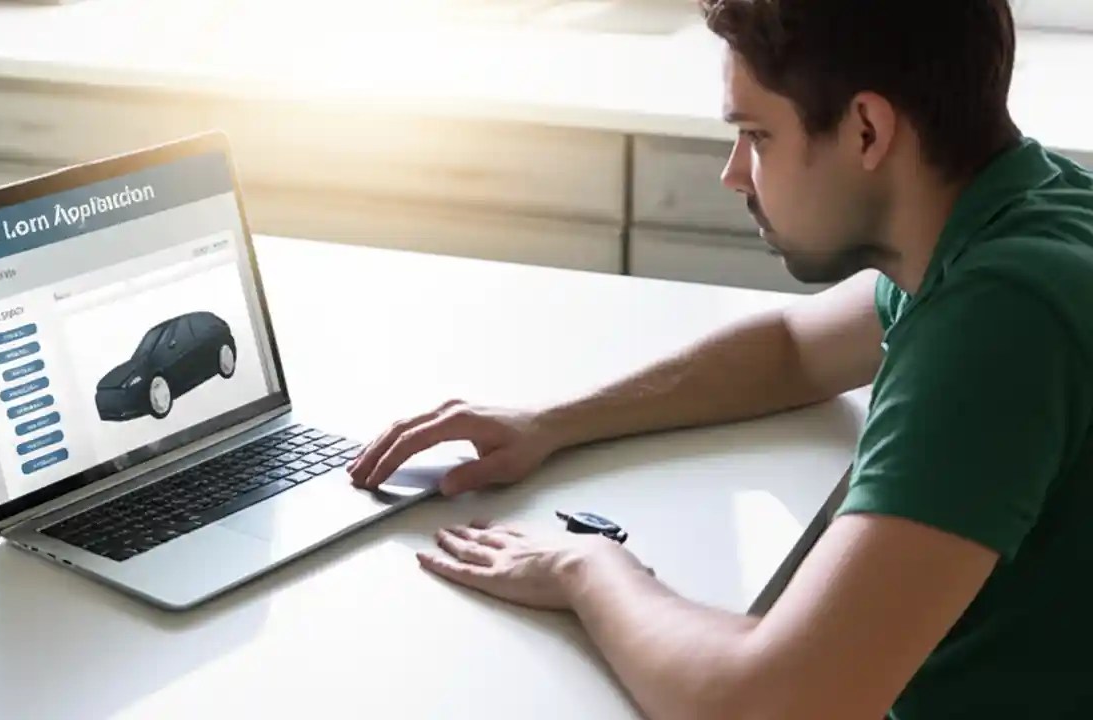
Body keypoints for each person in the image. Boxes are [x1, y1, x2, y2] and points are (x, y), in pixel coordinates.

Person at [346, 1, 1093, 718]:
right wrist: (552, 423)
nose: (734, 173)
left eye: (758, 136)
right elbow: (793, 352)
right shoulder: (1021, 215)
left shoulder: (999, 318)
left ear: (867, 131)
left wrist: (589, 570)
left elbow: (774, 705)